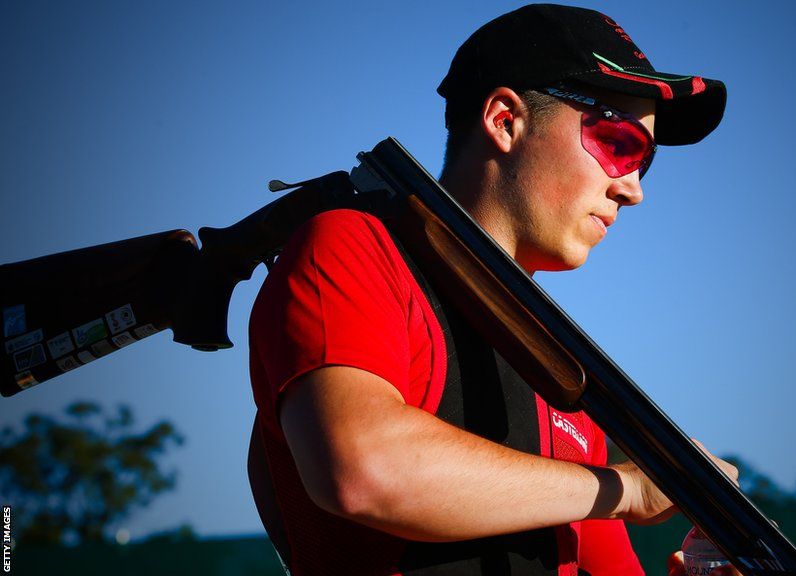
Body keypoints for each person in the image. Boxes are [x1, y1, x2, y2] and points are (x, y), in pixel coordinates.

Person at [247, 4, 739, 575]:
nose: (632, 190)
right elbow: (364, 470)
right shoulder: (352, 248)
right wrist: (622, 490)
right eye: (620, 143)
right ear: (505, 120)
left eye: (644, 162)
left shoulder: (562, 372)